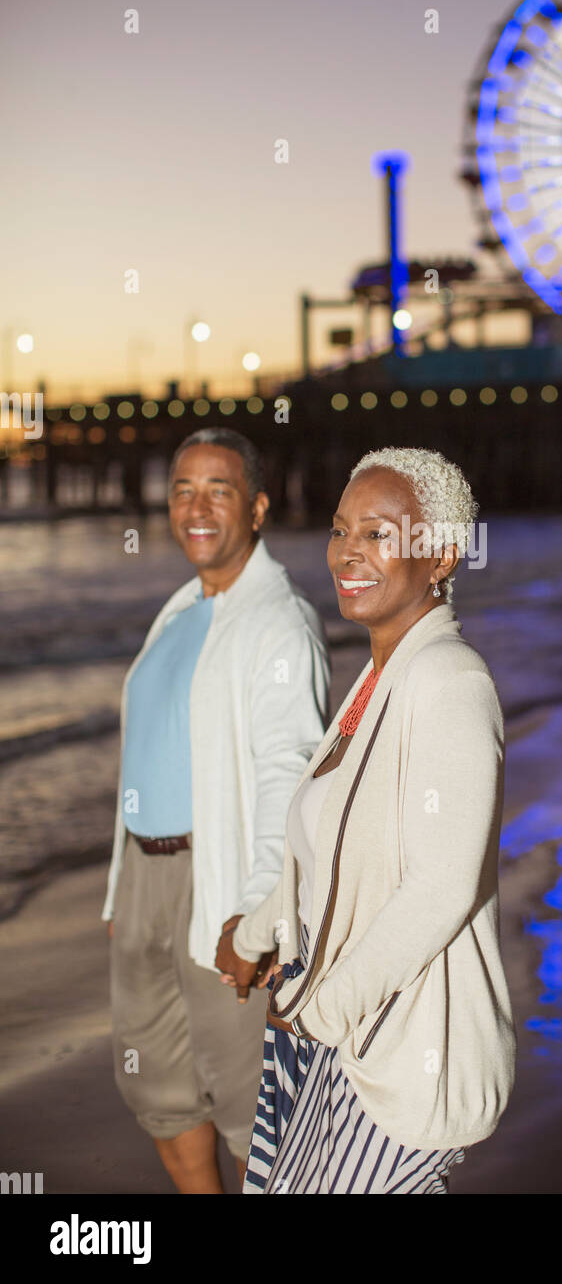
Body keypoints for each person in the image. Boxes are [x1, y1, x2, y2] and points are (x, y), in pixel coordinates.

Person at [216, 445, 516, 1194]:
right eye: (340, 530)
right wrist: (254, 936)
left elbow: (442, 885)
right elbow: (325, 855)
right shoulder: (378, 681)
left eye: (378, 534)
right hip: (342, 1021)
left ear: (440, 555)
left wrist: (319, 1013)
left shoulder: (448, 680)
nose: (348, 553)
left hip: (398, 1041)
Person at [102, 428, 330, 1193]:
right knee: (161, 1095)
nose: (196, 508)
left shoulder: (278, 620)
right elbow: (153, 749)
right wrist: (121, 892)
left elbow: (287, 771)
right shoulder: (180, 610)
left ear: (258, 508)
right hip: (146, 877)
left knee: (246, 1102)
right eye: (182, 491)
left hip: (223, 881)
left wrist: (259, 906)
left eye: (218, 491)